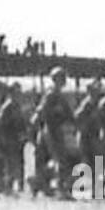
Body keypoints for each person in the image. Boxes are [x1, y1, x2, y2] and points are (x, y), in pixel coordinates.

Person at [35, 67, 75, 197]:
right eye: (60, 78)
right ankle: (60, 188)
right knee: (60, 159)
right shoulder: (51, 94)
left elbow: (69, 114)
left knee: (59, 160)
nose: (63, 81)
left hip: (56, 129)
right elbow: (42, 111)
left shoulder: (59, 95)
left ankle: (39, 181)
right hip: (51, 129)